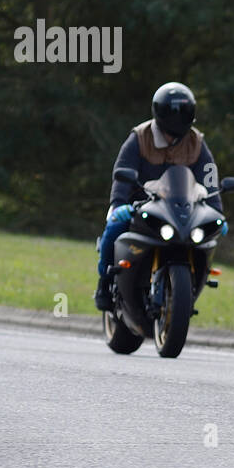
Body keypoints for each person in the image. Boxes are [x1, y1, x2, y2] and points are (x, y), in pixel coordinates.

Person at [93, 82, 224, 311]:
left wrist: (218, 212)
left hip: (182, 209)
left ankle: (190, 285)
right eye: (173, 111)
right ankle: (104, 281)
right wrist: (118, 205)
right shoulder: (139, 137)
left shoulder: (197, 143)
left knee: (206, 240)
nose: (178, 117)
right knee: (114, 229)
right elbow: (121, 175)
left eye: (184, 112)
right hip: (141, 205)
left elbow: (210, 179)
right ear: (160, 112)